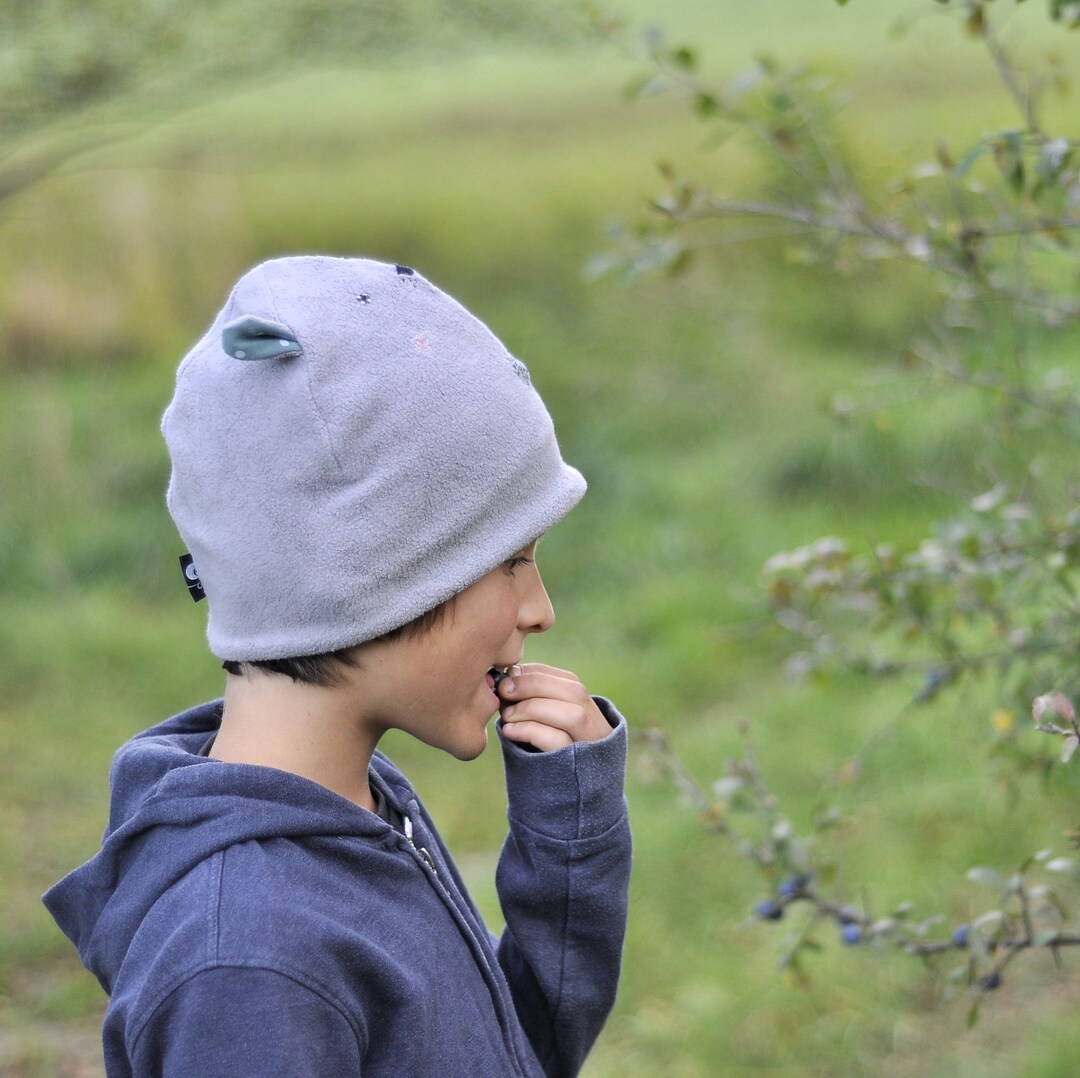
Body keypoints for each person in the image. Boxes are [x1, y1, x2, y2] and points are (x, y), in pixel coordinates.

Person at [43, 256, 631, 1077]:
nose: (540, 608)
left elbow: (510, 1055)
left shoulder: (359, 808)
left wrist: (571, 838)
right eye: (513, 561)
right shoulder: (248, 966)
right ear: (377, 573)